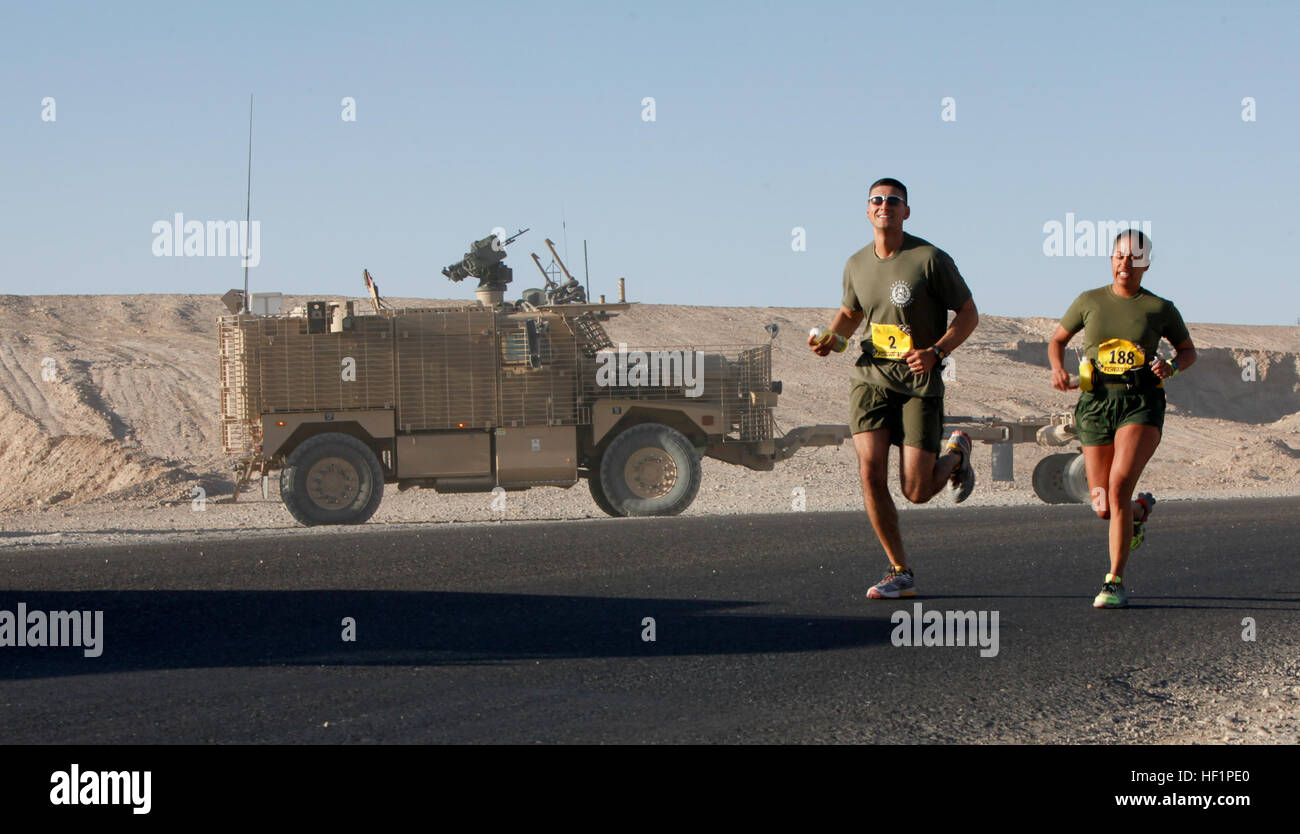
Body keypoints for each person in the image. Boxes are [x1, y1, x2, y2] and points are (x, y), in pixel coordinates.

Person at [809, 178, 979, 600]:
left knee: (917, 491)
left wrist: (937, 352)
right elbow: (851, 314)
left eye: (894, 200)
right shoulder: (855, 264)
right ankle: (899, 570)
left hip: (919, 382)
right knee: (870, 471)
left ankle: (956, 453)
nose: (885, 206)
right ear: (867, 211)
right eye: (877, 200)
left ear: (906, 211)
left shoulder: (930, 259)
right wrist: (832, 340)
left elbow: (969, 314)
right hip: (871, 377)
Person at [1048, 229, 1196, 608]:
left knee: (1117, 488)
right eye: (1118, 255)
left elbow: (1187, 351)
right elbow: (1057, 340)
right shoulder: (1089, 300)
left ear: (1145, 263)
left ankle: (1113, 580)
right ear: (1110, 260)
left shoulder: (1160, 308)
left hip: (1140, 403)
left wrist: (1172, 367)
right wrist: (1057, 370)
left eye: (1133, 257)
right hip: (1095, 404)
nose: (1124, 263)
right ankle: (1138, 512)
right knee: (1102, 506)